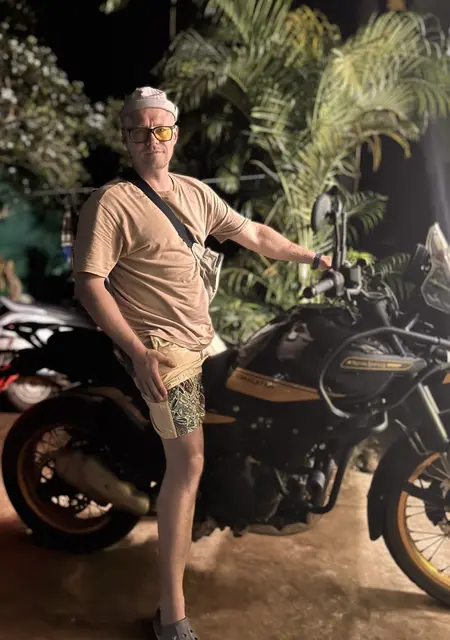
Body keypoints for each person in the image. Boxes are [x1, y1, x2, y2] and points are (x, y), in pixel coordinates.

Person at [72, 86, 332, 640]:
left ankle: (230, 498)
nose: (151, 140)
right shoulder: (112, 203)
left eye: (161, 129)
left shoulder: (194, 193)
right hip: (164, 352)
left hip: (204, 341)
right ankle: (171, 613)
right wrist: (138, 351)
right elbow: (90, 284)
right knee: (187, 462)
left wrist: (314, 258)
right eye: (139, 131)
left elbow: (253, 233)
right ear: (127, 137)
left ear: (174, 135)